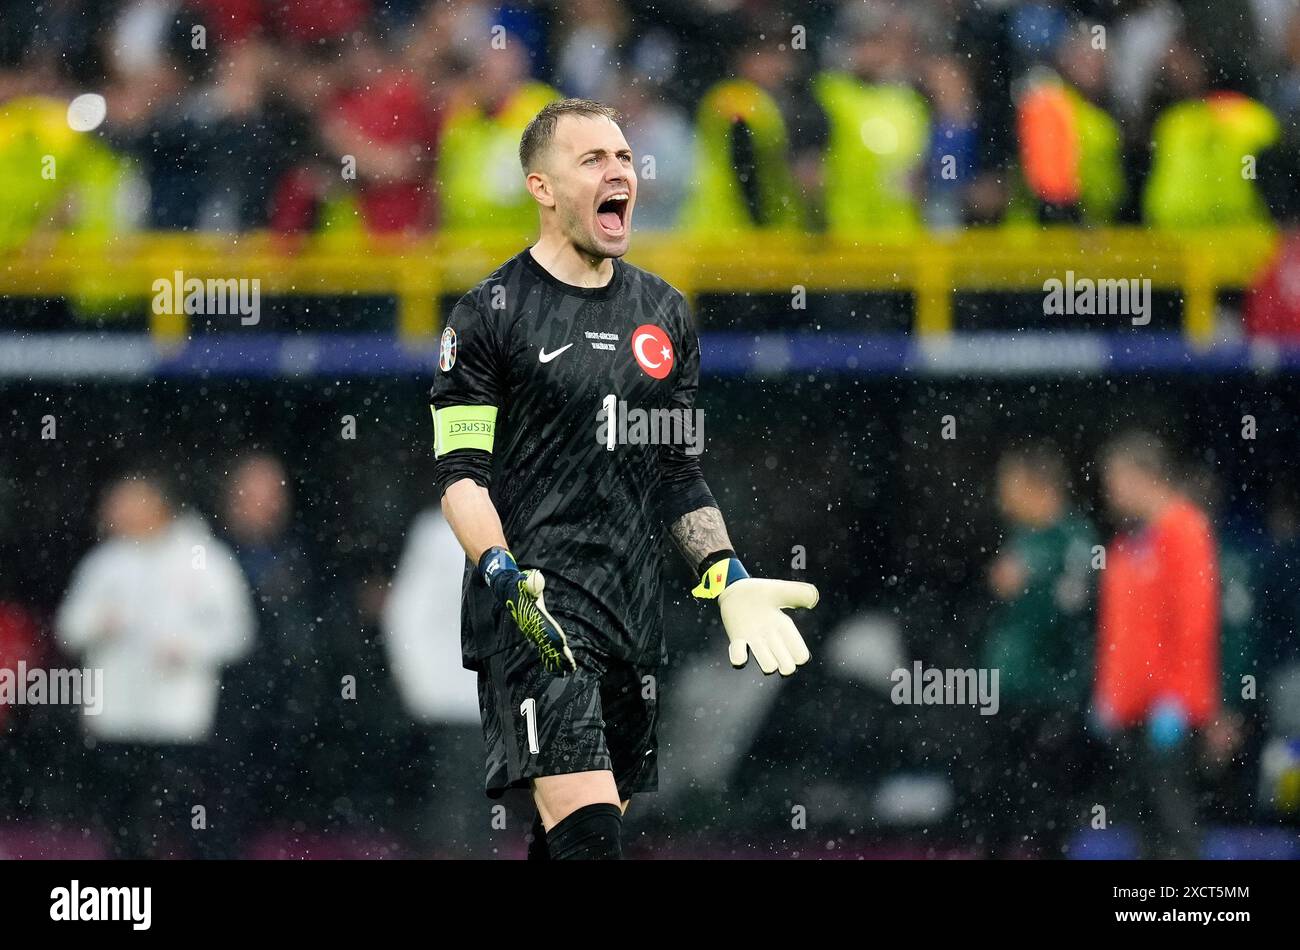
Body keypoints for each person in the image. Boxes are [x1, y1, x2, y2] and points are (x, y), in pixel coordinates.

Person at [428, 98, 819, 860]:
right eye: (593, 160)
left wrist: (726, 571)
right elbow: (460, 478)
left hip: (631, 616)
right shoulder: (489, 315)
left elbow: (676, 472)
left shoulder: (664, 313)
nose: (620, 173)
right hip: (535, 616)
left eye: (625, 159)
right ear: (541, 187)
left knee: (571, 841)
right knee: (592, 840)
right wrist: (504, 574)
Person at [56, 470, 254, 859]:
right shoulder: (105, 562)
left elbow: (237, 630)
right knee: (123, 824)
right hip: (115, 716)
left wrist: (189, 646)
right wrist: (99, 621)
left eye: (128, 501)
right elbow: (68, 628)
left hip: (178, 719)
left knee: (188, 821)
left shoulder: (203, 557)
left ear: (158, 504)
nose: (116, 511)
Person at [1095, 432, 1220, 858]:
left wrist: (1179, 698)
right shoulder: (1127, 541)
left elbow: (1194, 622)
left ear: (1143, 477)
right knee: (1144, 831)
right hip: (1132, 710)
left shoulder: (1185, 531)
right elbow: (1120, 629)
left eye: (1115, 482)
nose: (1110, 494)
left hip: (1169, 713)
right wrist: (1110, 694)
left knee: (1177, 826)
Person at [976, 444, 1096, 858]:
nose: (1001, 496)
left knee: (1048, 805)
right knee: (994, 799)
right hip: (1008, 691)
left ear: (1036, 485)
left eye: (1009, 485)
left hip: (1051, 694)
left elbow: (1070, 617)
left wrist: (1030, 586)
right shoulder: (1022, 535)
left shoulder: (1075, 540)